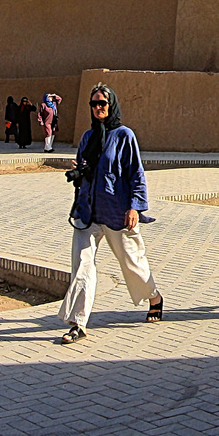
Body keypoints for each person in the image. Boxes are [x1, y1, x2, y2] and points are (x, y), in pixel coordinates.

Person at [57, 84, 163, 344]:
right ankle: (78, 323)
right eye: (94, 104)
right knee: (82, 266)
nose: (98, 108)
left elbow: (136, 173)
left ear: (111, 104)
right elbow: (85, 168)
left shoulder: (124, 135)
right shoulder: (87, 137)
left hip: (117, 213)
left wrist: (135, 207)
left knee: (133, 263)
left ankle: (154, 297)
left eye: (102, 103)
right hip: (88, 213)